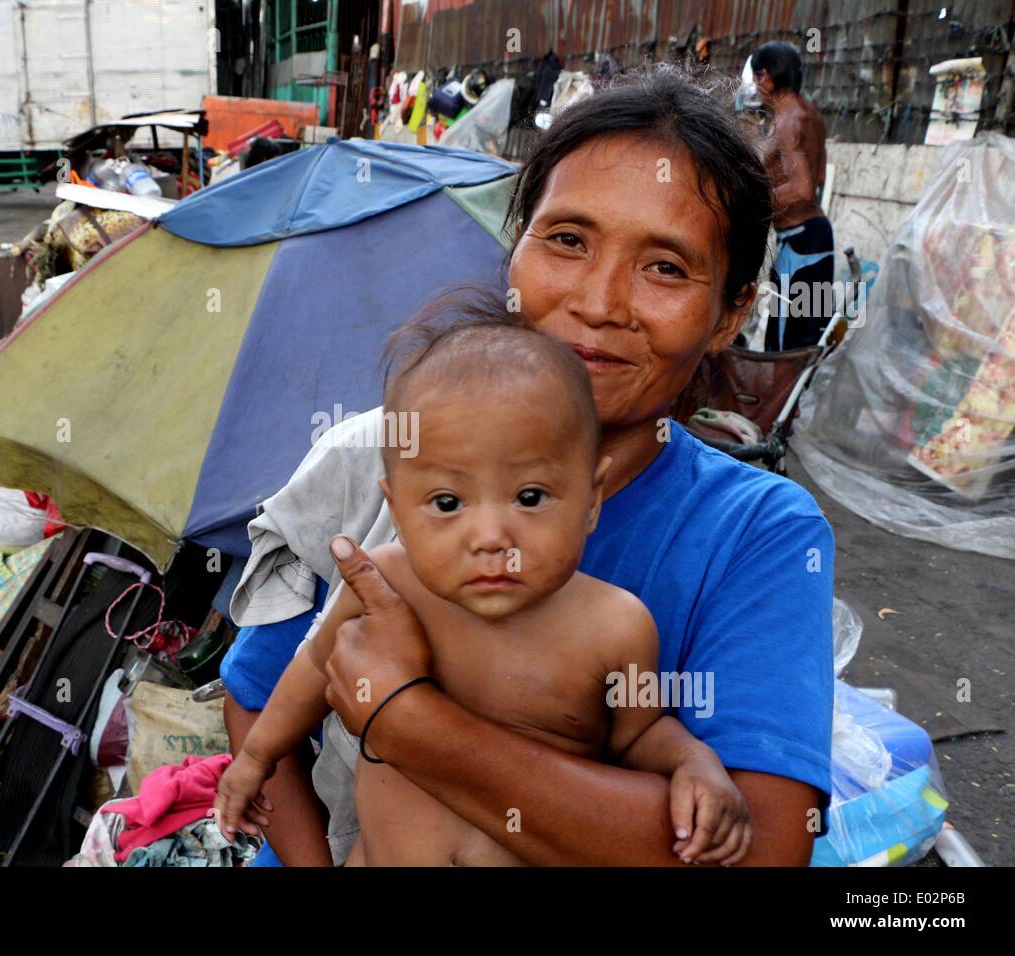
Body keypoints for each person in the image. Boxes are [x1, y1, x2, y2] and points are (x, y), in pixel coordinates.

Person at [221, 65, 834, 867]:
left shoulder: (756, 535)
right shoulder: (378, 451)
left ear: (732, 313)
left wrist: (408, 722)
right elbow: (260, 696)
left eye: (666, 267)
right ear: (515, 251)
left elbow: (760, 851)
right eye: (568, 240)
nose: (601, 301)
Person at [215, 297, 753, 866]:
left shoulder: (615, 627)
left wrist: (693, 763)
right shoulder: (387, 581)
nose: (491, 536)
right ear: (397, 506)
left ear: (590, 500)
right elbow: (311, 670)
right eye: (448, 502)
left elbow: (639, 737)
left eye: (530, 497)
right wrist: (255, 761)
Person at [750, 41, 835, 351]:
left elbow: (801, 189)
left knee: (786, 348)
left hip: (799, 244)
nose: (757, 86)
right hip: (816, 238)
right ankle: (799, 401)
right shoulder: (811, 114)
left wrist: (754, 202)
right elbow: (820, 177)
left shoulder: (787, 121)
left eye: (758, 77)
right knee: (808, 341)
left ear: (767, 78)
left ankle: (785, 401)